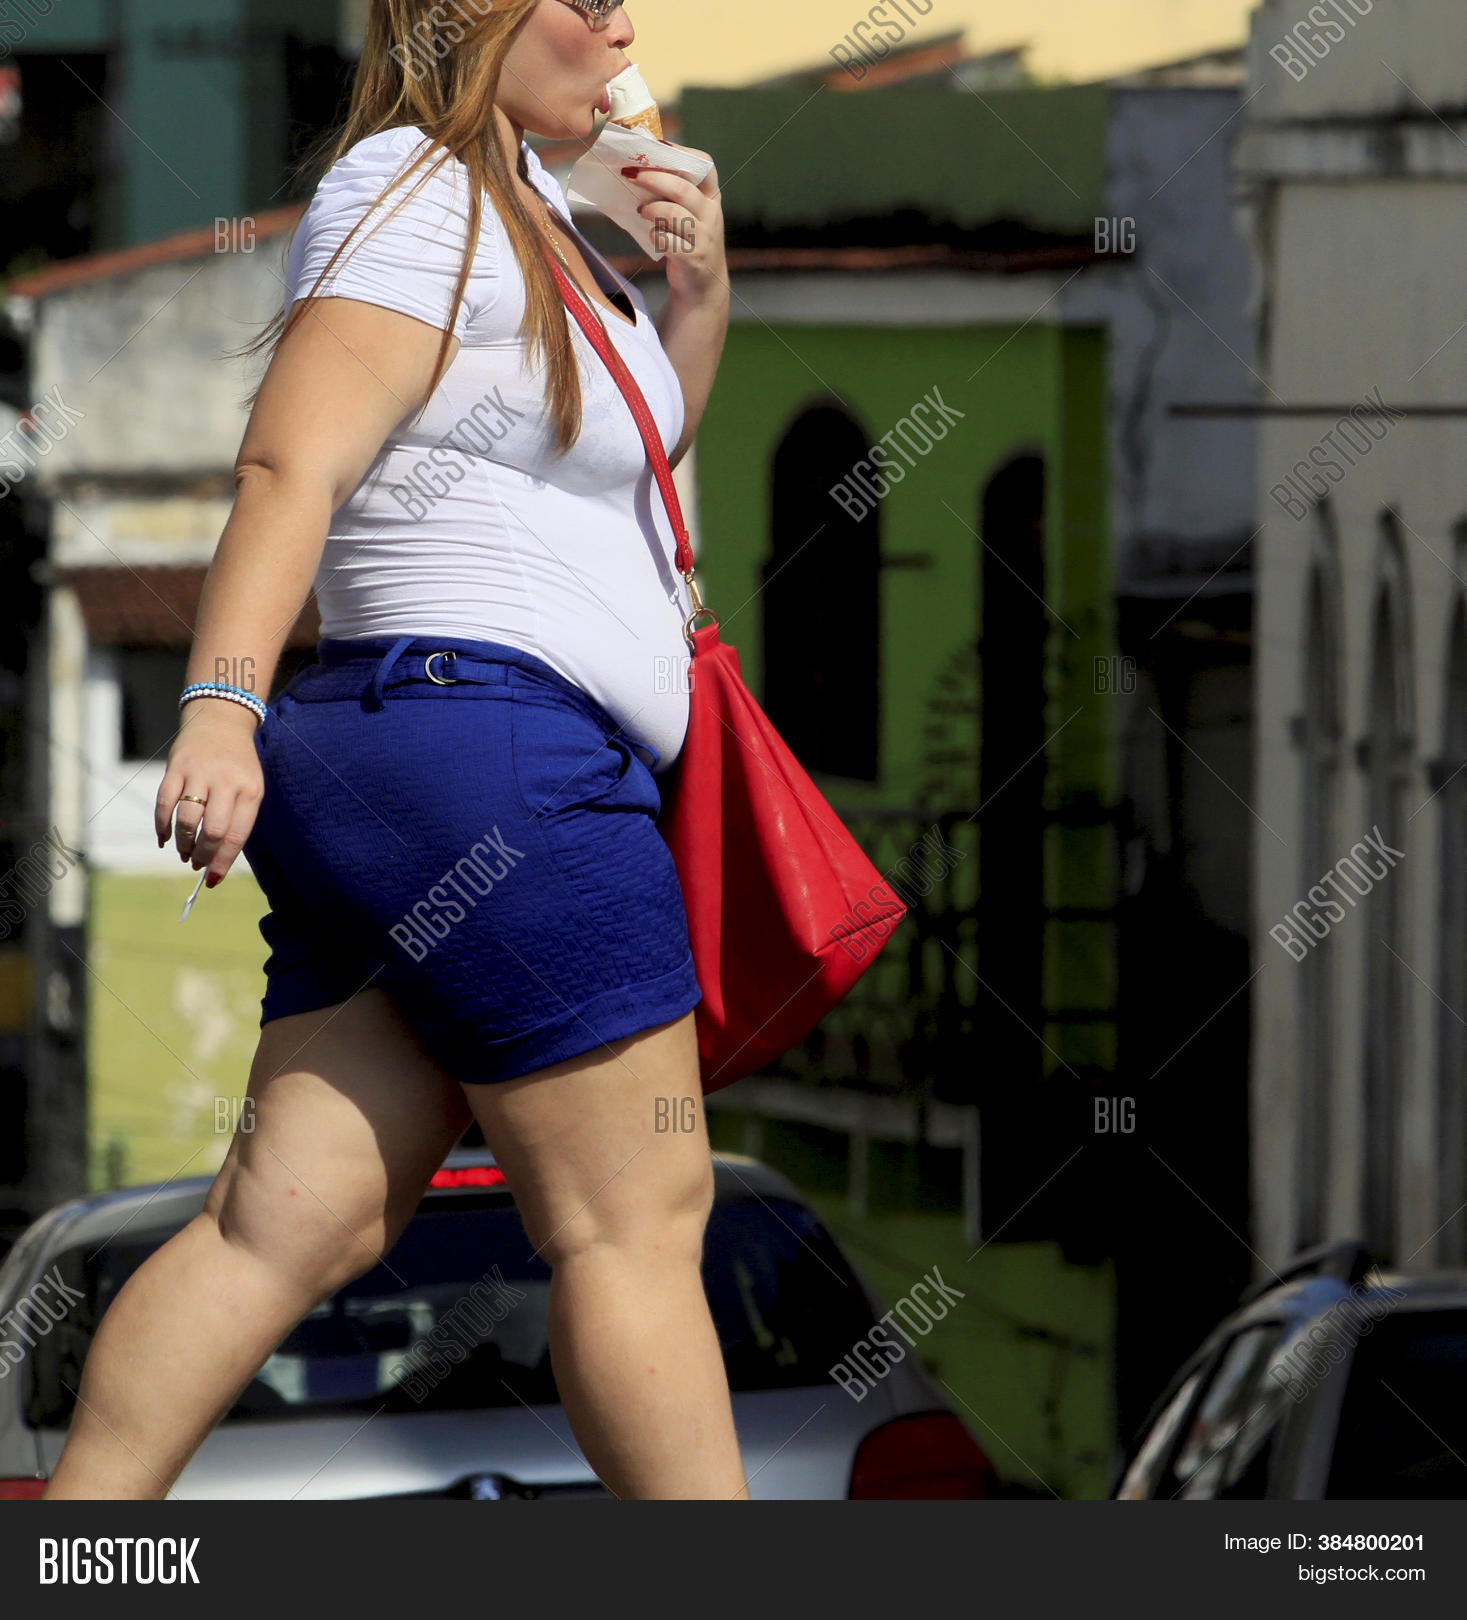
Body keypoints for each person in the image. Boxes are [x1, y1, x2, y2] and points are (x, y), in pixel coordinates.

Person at [44, 0, 745, 1502]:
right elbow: (292, 456)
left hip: (419, 780)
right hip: (501, 763)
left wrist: (696, 293)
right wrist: (219, 701)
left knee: (289, 1225)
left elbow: (620, 478)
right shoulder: (416, 190)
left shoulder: (531, 216)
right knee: (637, 1219)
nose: (623, 22)